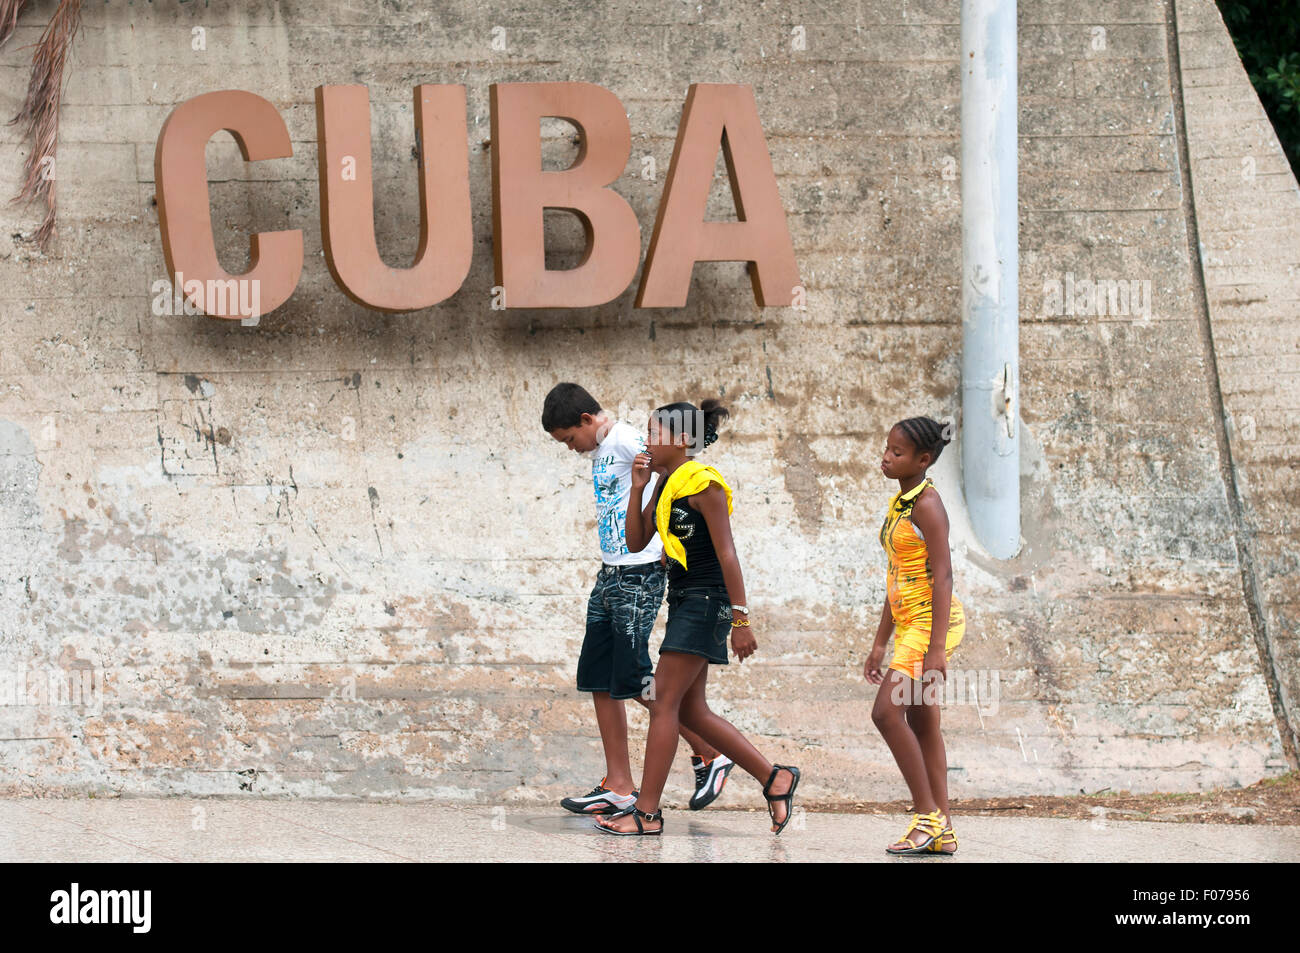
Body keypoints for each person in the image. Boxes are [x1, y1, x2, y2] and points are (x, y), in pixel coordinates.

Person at [595, 399, 800, 836]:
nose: (647, 441)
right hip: (684, 600)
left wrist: (741, 620)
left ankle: (646, 815)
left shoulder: (704, 484)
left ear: (684, 440)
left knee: (664, 703)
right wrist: (638, 486)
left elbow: (727, 554)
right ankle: (775, 778)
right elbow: (635, 541)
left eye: (656, 433)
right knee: (695, 711)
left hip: (708, 602)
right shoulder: (665, 485)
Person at [542, 383, 735, 816]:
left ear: (589, 421)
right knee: (598, 677)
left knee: (633, 678)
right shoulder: (604, 447)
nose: (572, 449)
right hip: (610, 572)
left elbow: (677, 469)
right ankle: (618, 783)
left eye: (571, 439)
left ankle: (709, 752)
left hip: (640, 572)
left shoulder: (628, 438)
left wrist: (667, 540)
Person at [864, 416, 965, 854]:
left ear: (923, 460)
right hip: (910, 623)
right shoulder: (900, 503)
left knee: (886, 713)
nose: (886, 457)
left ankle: (926, 816)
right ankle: (943, 828)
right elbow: (898, 576)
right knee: (924, 721)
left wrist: (937, 648)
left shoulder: (927, 505)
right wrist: (879, 641)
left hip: (931, 626)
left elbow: (943, 577)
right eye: (887, 448)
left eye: (897, 453)